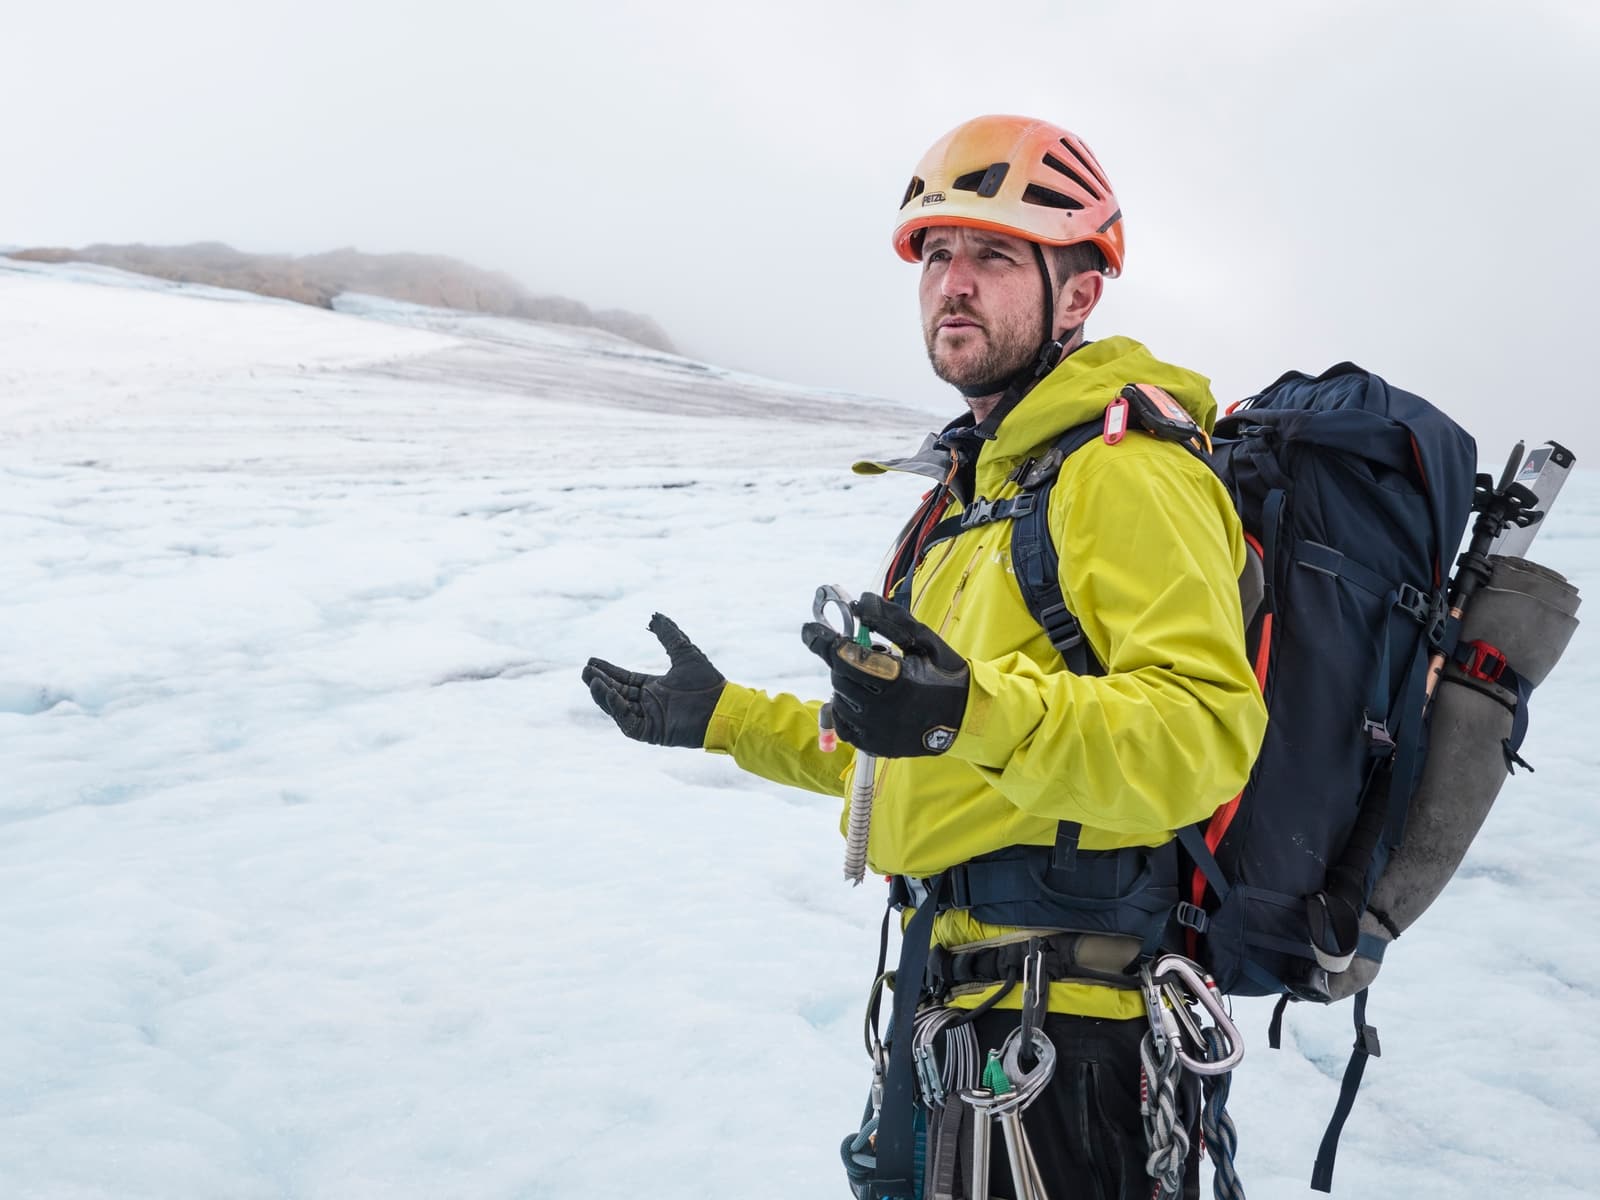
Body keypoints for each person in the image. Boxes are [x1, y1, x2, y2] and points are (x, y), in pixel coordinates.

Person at [583, 114, 1269, 1200]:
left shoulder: (1127, 475)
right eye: (937, 254)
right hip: (944, 998)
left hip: (1070, 1032)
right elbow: (899, 747)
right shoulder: (972, 501)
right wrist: (722, 718)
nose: (954, 281)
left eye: (995, 256)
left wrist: (966, 715)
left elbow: (1204, 737)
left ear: (1078, 296)